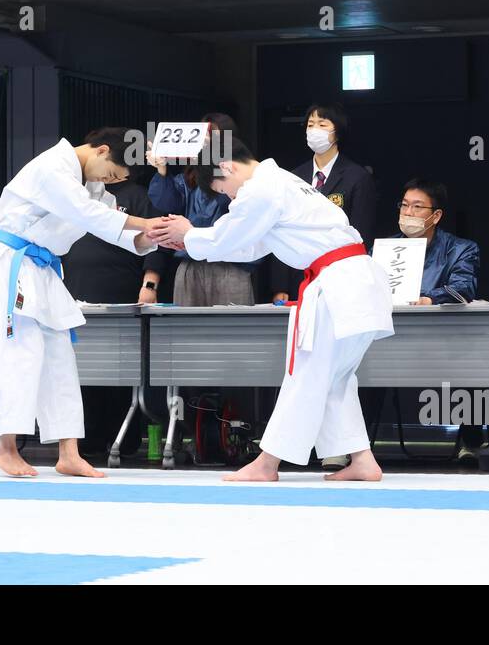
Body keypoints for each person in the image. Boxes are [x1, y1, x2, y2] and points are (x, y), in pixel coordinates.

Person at [150, 138, 394, 482]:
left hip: (338, 286)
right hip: (357, 284)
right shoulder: (284, 182)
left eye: (222, 188)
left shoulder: (262, 189)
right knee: (336, 379)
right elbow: (250, 247)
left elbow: (227, 237)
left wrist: (189, 233)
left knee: (306, 375)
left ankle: (268, 464)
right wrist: (191, 241)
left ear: (227, 167)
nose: (227, 196)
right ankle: (363, 459)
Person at [0, 128, 159, 478]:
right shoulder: (53, 167)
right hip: (13, 266)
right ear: (100, 151)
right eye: (111, 172)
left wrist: (150, 238)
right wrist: (146, 221)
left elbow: (109, 224)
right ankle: (6, 449)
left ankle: (69, 453)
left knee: (60, 361)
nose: (109, 180)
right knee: (17, 358)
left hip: (45, 271)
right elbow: (89, 215)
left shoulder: (91, 186)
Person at [271, 102, 378, 469]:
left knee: (324, 371)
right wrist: (283, 287)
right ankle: (353, 457)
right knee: (328, 373)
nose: (314, 129)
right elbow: (284, 234)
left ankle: (277, 459)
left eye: (322, 123)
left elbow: (361, 233)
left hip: (343, 276)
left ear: (337, 131)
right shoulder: (294, 176)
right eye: (310, 123)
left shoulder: (356, 177)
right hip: (306, 278)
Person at [61, 175, 165, 454]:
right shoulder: (77, 194)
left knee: (120, 370)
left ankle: (125, 438)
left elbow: (156, 246)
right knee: (80, 369)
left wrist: (149, 284)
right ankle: (86, 438)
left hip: (122, 293)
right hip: (77, 292)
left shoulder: (137, 195)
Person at [395, 178, 482, 459]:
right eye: (405, 205)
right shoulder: (385, 249)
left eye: (417, 207)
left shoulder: (461, 249)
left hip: (446, 338)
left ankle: (470, 442)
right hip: (394, 337)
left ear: (436, 215)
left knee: (475, 362)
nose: (408, 213)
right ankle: (352, 447)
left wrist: (429, 299)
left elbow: (463, 287)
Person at [146, 113, 254, 306]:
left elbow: (230, 204)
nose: (206, 144)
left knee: (232, 329)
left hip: (230, 264)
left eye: (212, 139)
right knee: (188, 329)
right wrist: (162, 170)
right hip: (191, 262)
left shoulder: (240, 174)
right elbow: (166, 204)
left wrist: (214, 164)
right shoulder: (188, 178)